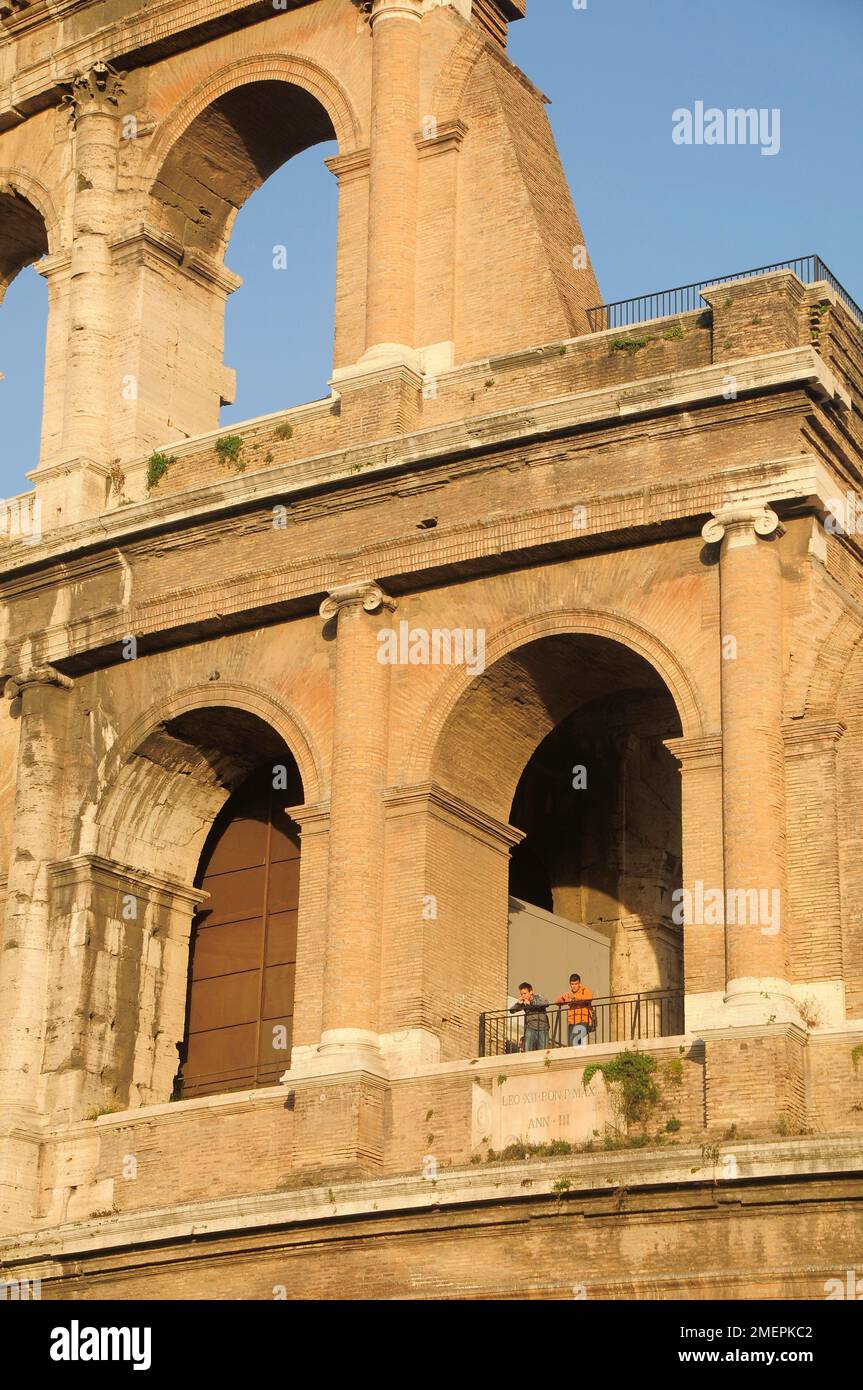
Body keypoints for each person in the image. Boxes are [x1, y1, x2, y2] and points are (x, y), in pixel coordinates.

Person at [509, 982, 549, 1052]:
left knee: (543, 1053)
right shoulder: (524, 1002)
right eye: (521, 994)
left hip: (543, 1029)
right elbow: (512, 1011)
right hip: (530, 1029)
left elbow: (546, 1003)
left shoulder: (538, 997)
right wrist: (518, 1004)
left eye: (525, 993)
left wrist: (531, 1003)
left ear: (531, 992)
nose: (523, 996)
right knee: (528, 1052)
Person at [556, 973, 594, 1047]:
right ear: (570, 984)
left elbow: (589, 997)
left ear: (579, 984)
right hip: (572, 1023)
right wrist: (565, 999)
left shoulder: (584, 990)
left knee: (573, 1040)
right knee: (573, 1045)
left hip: (583, 1021)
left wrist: (575, 997)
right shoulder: (569, 994)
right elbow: (557, 1002)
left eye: (576, 984)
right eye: (572, 984)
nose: (574, 986)